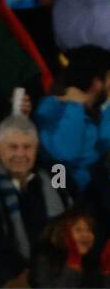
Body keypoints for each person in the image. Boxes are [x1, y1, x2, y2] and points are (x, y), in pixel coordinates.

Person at [0, 115, 71, 281]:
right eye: (13, 147)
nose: (21, 154)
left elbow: (70, 208)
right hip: (5, 274)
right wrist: (21, 271)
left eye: (27, 147)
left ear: (36, 147)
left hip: (54, 268)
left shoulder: (55, 170)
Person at [34, 47, 110, 194]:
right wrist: (75, 106)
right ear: (97, 83)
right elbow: (63, 154)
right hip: (66, 199)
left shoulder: (96, 113)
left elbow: (105, 143)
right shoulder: (51, 107)